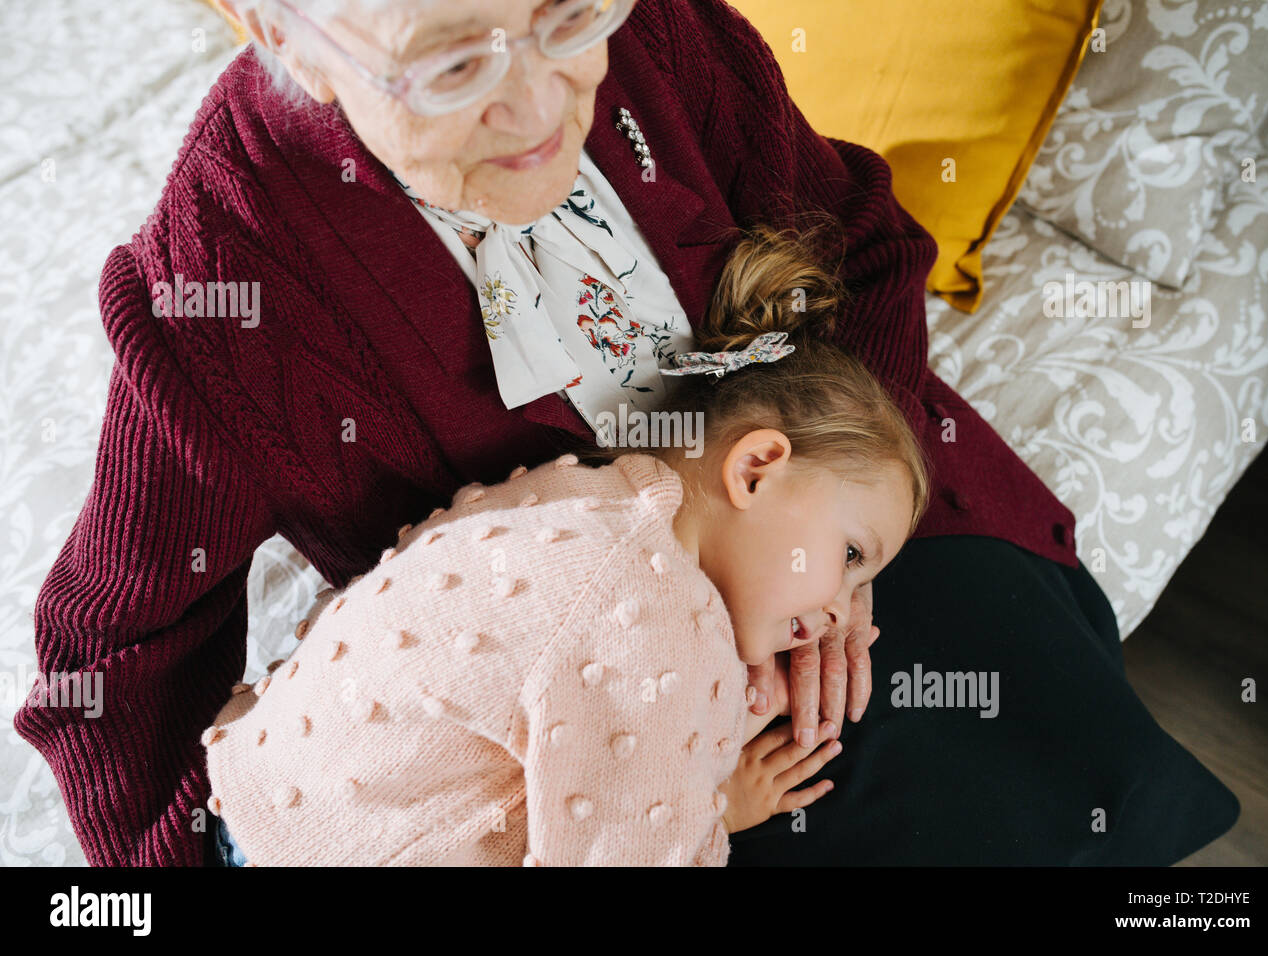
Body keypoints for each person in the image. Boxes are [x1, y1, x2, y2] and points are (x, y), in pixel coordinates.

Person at [16, 0, 1101, 867]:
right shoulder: (224, 283)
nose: (541, 105)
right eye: (452, 65)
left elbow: (864, 243)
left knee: (1080, 762)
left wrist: (835, 553)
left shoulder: (653, 25)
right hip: (595, 707)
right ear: (277, 30)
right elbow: (111, 653)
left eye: (567, 14)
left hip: (833, 512)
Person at [203, 223, 927, 865]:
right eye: (851, 558)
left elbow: (584, 703)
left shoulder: (588, 496)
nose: (844, 611)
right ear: (756, 469)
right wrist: (718, 812)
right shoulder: (661, 626)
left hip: (271, 792)